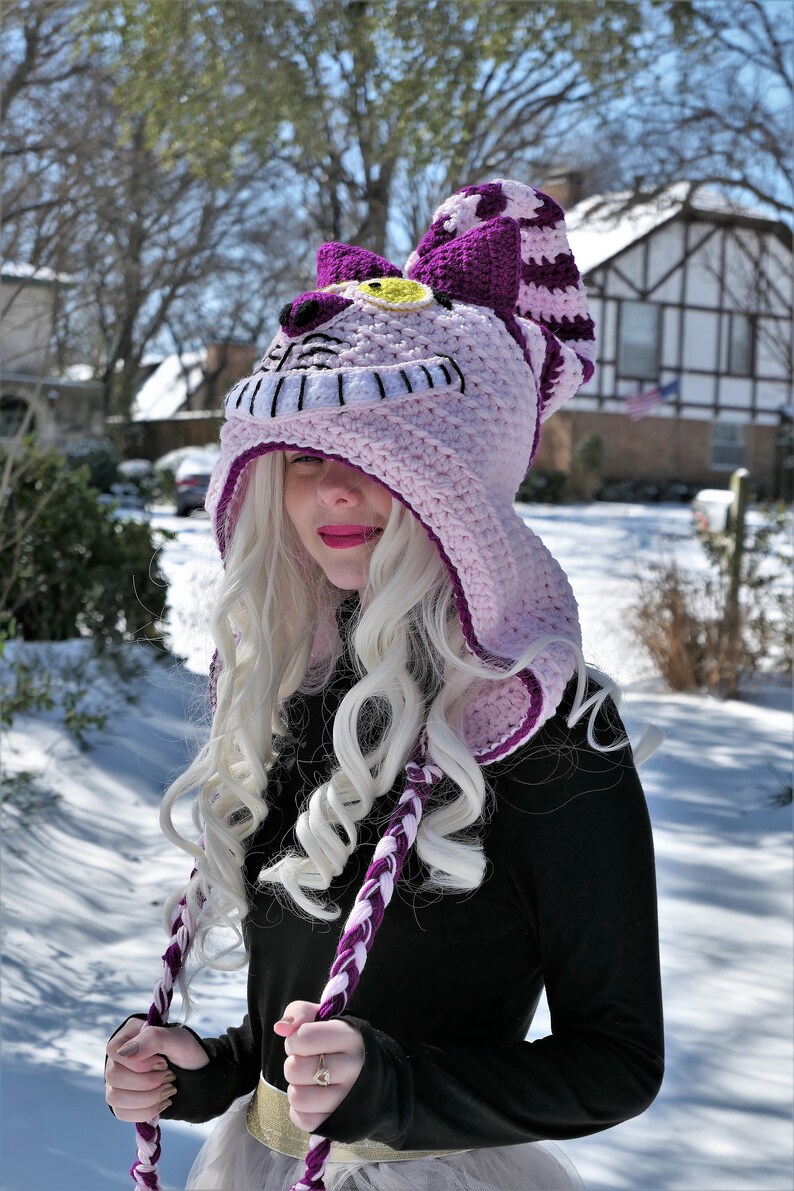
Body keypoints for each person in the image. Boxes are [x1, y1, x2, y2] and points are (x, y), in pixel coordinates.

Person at [105, 179, 664, 1191]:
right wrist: (209, 1070)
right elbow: (302, 1017)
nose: (332, 488)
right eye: (301, 457)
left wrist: (393, 1090)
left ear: (453, 480)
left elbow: (617, 1062)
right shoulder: (294, 690)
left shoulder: (547, 725)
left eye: (378, 455)